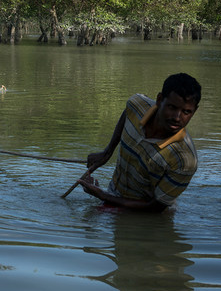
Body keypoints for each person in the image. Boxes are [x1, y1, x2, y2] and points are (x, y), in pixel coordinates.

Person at [75, 73, 202, 212]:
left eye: (186, 112)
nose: (177, 118)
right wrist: (107, 152)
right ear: (159, 100)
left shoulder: (184, 160)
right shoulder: (138, 105)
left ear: (195, 111)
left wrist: (102, 196)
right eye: (172, 107)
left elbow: (156, 207)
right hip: (114, 193)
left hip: (146, 214)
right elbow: (128, 112)